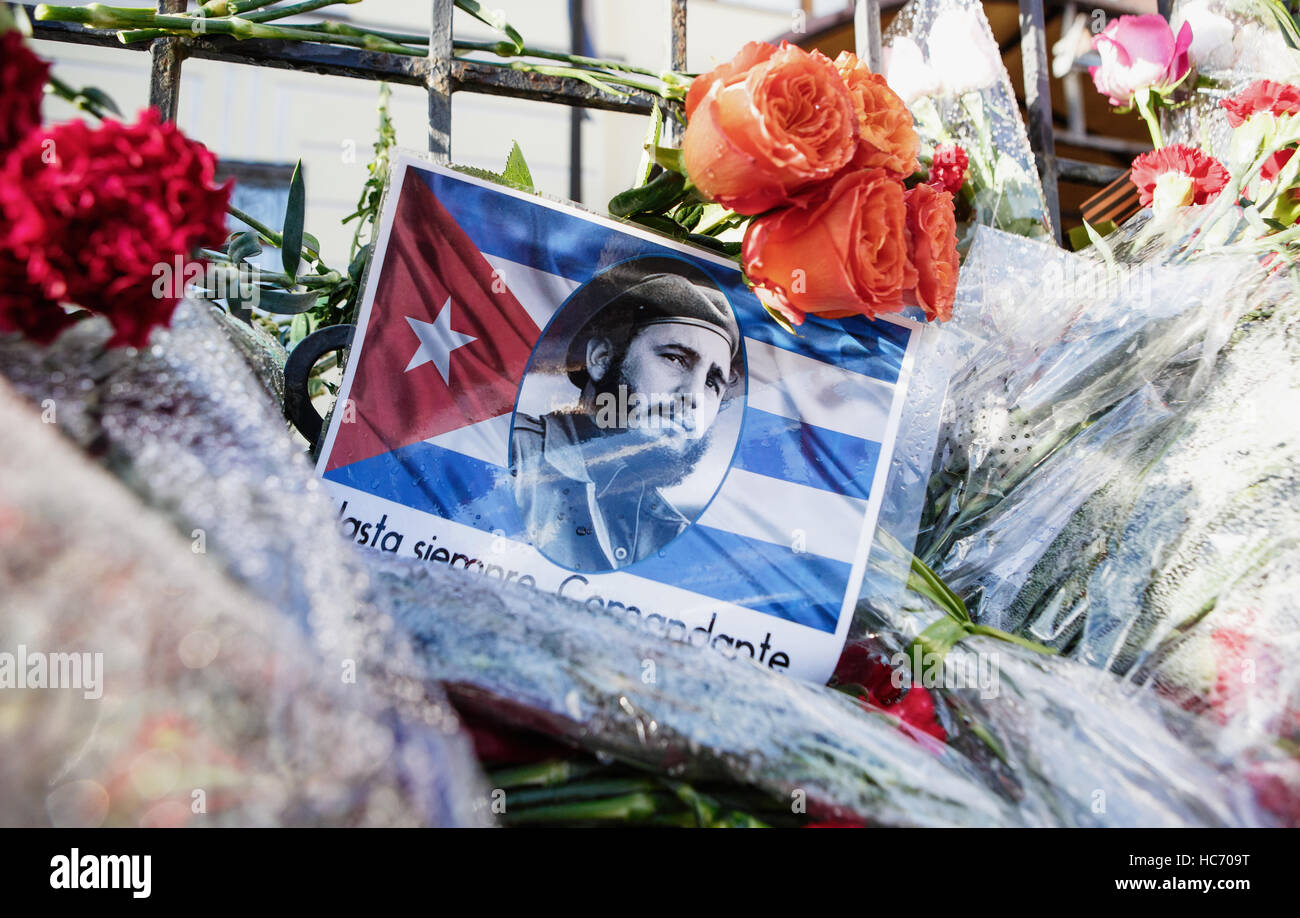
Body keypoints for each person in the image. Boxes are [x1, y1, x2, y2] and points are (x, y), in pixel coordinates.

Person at [511, 256, 741, 572]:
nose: (693, 398)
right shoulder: (513, 456)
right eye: (675, 359)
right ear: (601, 358)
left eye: (713, 382)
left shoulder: (677, 534)